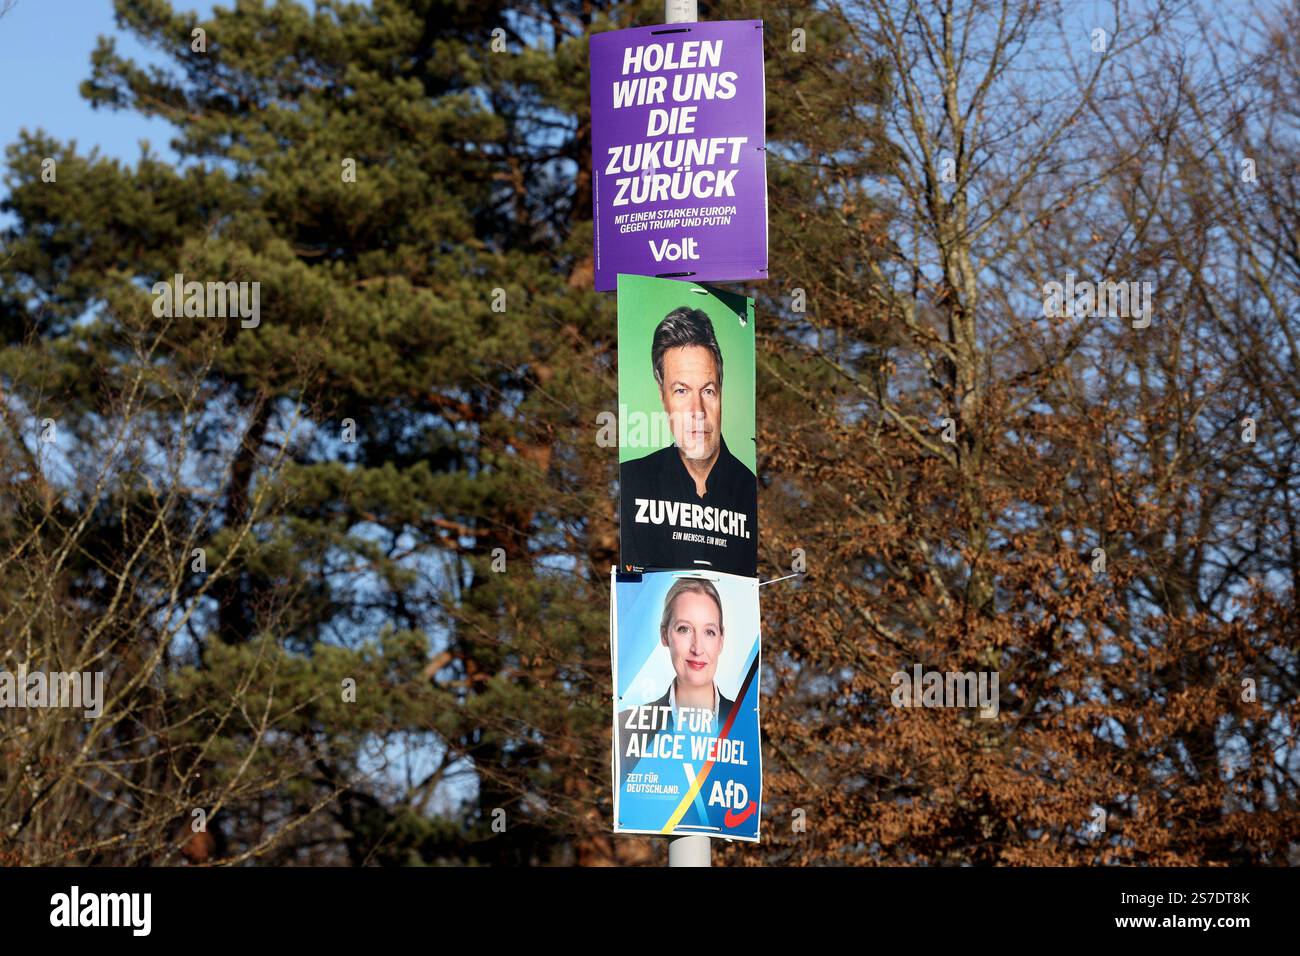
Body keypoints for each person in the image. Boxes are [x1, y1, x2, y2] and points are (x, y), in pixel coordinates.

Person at [619, 306, 758, 576]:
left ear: (721, 392)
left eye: (708, 390)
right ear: (663, 396)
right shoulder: (632, 480)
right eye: (681, 390)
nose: (697, 411)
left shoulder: (749, 488)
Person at [616, 577, 734, 773]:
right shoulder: (629, 727)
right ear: (664, 635)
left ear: (721, 640)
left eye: (709, 632)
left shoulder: (744, 723)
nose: (697, 648)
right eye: (684, 629)